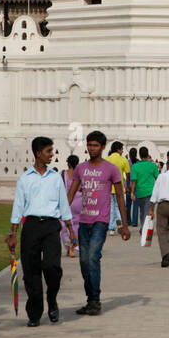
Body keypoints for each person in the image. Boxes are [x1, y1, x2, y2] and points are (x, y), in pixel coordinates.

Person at [7, 137, 77, 327]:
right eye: (48, 151)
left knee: (52, 267)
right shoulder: (24, 178)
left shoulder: (55, 178)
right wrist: (13, 233)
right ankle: (34, 312)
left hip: (51, 226)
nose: (52, 155)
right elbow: (18, 206)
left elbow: (63, 204)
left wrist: (70, 230)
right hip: (31, 226)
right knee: (31, 271)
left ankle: (52, 300)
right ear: (38, 153)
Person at [67, 130, 130, 316]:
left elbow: (120, 196)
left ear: (103, 147)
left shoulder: (111, 169)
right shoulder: (80, 168)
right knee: (84, 261)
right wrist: (60, 216)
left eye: (95, 145)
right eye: (89, 145)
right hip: (83, 221)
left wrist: (124, 225)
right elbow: (71, 193)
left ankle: (95, 300)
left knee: (93, 257)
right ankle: (90, 299)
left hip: (100, 221)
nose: (91, 148)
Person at [130, 146, 159, 233]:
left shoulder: (135, 166)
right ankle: (145, 228)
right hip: (151, 192)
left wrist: (132, 193)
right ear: (147, 154)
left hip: (140, 192)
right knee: (148, 211)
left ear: (139, 154)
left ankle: (143, 227)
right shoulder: (153, 165)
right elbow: (158, 178)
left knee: (142, 211)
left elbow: (134, 181)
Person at [105, 141, 131, 234]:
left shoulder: (106, 159)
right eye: (122, 149)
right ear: (118, 149)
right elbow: (128, 175)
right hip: (119, 188)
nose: (122, 151)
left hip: (108, 188)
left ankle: (111, 228)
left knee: (111, 208)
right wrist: (128, 186)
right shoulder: (123, 160)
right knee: (120, 207)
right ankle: (120, 224)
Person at [61, 155, 83, 257]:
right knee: (77, 226)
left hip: (67, 201)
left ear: (68, 163)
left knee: (65, 227)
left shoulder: (63, 174)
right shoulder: (80, 174)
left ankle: (69, 246)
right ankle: (74, 245)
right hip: (78, 201)